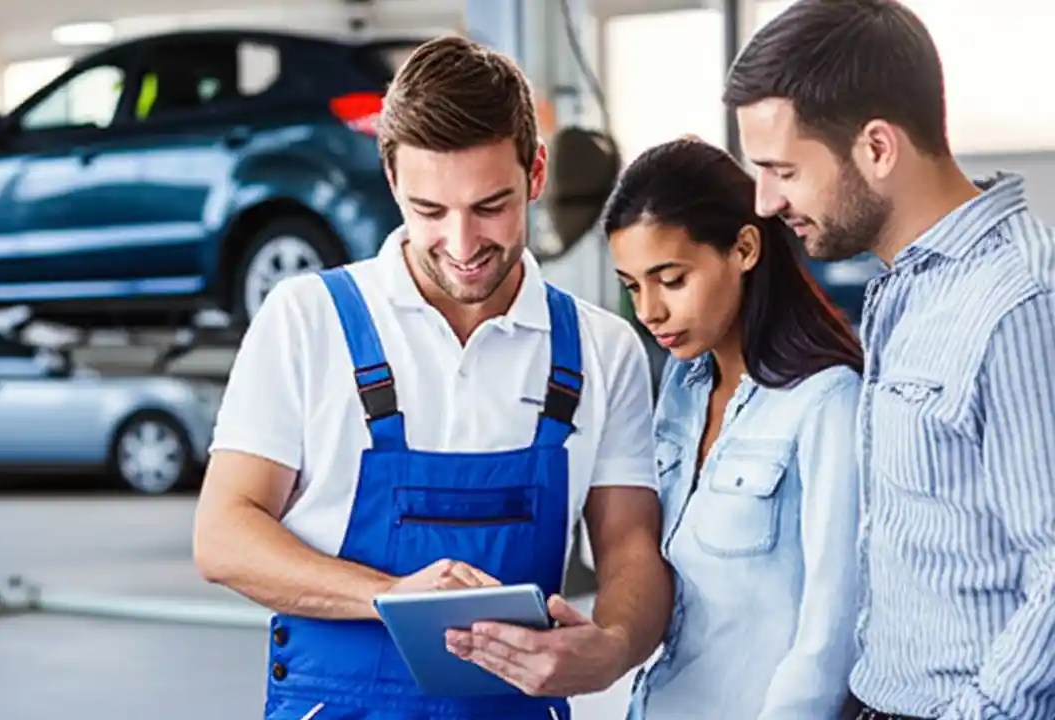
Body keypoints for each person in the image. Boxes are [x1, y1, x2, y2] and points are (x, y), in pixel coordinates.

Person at [192, 35, 673, 720]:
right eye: (429, 211)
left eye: (490, 207)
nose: (462, 242)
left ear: (535, 174)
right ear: (392, 182)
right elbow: (223, 537)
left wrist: (615, 646)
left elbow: (629, 544)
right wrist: (391, 594)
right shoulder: (306, 320)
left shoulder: (602, 349)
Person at [725, 2, 1055, 719]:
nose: (766, 199)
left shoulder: (1017, 304)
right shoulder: (905, 288)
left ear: (877, 147)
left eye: (783, 169)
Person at [602, 137, 864, 720]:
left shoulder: (827, 401)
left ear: (745, 247)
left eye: (671, 279)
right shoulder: (683, 384)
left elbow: (831, 637)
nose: (649, 312)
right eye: (633, 285)